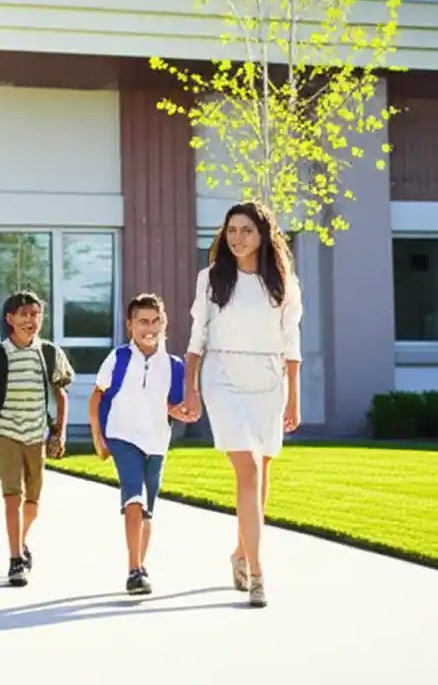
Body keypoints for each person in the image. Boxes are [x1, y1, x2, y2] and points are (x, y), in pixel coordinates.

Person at [181, 201, 303, 609]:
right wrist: (191, 388)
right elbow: (197, 337)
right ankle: (257, 573)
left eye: (246, 230)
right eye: (231, 230)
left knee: (262, 472)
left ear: (263, 235)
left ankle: (240, 553)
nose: (237, 238)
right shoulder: (211, 278)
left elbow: (291, 344)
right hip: (223, 376)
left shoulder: (282, 281)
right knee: (247, 470)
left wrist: (294, 399)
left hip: (268, 380)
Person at [88, 294, 195, 595]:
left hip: (157, 442)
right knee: (133, 496)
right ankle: (134, 569)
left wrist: (180, 412)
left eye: (155, 321)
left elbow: (172, 406)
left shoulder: (174, 366)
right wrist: (98, 436)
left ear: (164, 323)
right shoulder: (119, 358)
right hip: (123, 436)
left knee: (147, 506)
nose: (149, 328)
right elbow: (97, 396)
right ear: (130, 325)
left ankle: (140, 566)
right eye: (142, 322)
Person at [0, 291, 73, 586]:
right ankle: (15, 559)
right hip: (6, 433)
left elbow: (61, 393)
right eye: (24, 314)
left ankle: (22, 539)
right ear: (10, 319)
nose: (30, 320)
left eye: (35, 314)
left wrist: (59, 431)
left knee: (33, 503)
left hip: (35, 433)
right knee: (12, 497)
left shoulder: (49, 353)